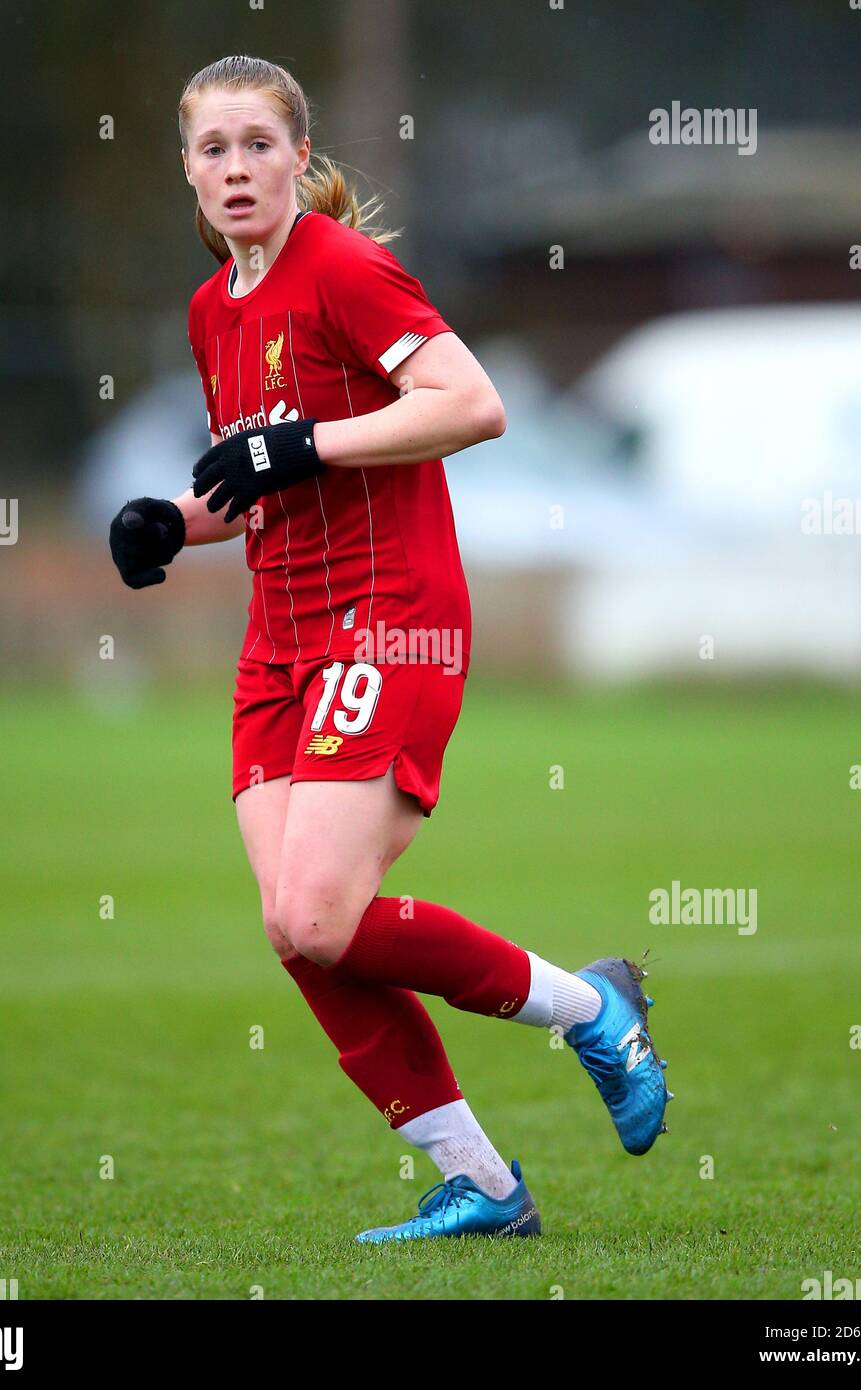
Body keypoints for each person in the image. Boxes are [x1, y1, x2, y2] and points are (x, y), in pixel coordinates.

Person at [109, 54, 670, 1243]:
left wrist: (299, 443)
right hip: (281, 638)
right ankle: (482, 1181)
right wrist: (177, 517)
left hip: (390, 615)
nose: (238, 168)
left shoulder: (342, 265)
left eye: (260, 144)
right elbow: (262, 479)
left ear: (299, 160)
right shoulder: (217, 309)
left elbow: (471, 404)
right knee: (297, 924)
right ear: (187, 173)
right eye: (214, 149)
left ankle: (589, 1010)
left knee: (319, 914)